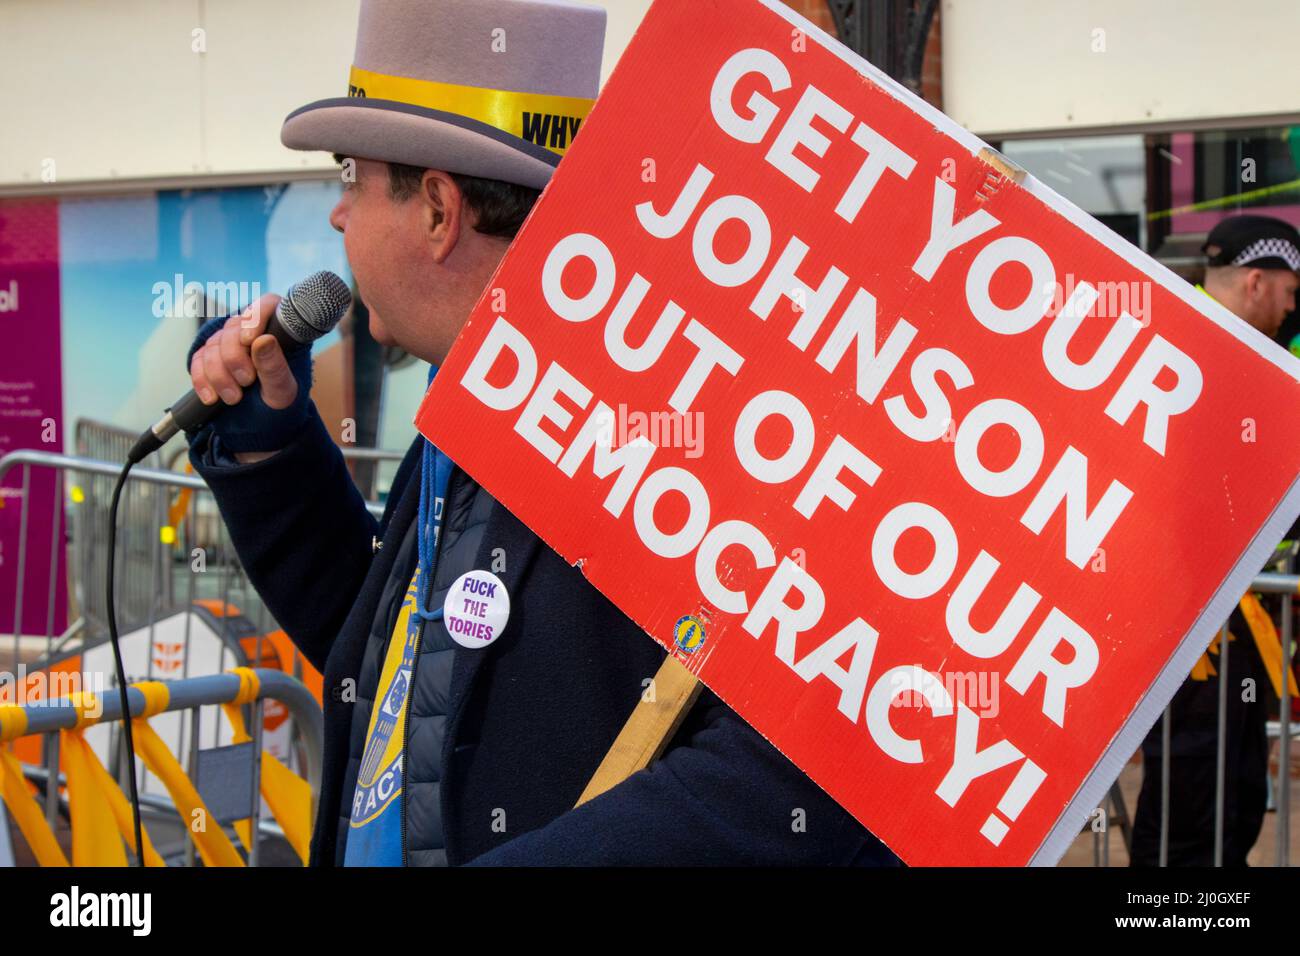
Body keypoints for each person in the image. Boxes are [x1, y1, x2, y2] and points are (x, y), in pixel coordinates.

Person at [183, 0, 901, 867]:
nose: (338, 218)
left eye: (350, 179)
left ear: (439, 212)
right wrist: (270, 451)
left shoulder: (654, 433)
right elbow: (402, 666)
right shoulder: (465, 416)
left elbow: (806, 773)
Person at [1129, 213, 1300, 866]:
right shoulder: (1195, 355)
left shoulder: (1220, 354)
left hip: (1220, 632)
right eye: (1289, 290)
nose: (1292, 306)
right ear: (1256, 281)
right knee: (1193, 816)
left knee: (1227, 803)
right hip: (1188, 636)